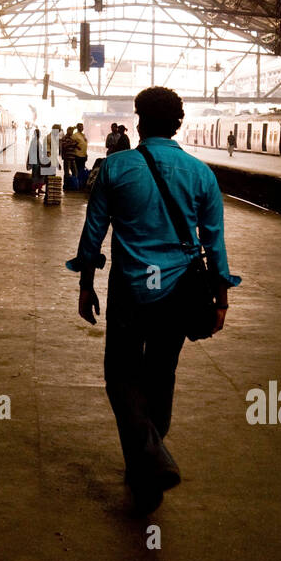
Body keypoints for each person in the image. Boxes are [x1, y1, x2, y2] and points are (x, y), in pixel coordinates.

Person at [65, 87, 241, 515]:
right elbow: (214, 243)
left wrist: (86, 284)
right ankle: (148, 456)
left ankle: (149, 457)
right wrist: (221, 300)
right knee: (161, 372)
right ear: (178, 124)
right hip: (179, 292)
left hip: (130, 290)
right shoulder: (200, 174)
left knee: (121, 376)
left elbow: (94, 233)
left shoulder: (115, 168)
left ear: (140, 122)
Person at [73, 123, 89, 188]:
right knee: (77, 170)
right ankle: (77, 184)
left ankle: (81, 183)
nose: (81, 128)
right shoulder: (75, 135)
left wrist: (86, 154)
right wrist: (76, 146)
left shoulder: (83, 135)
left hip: (83, 155)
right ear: (77, 128)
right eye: (80, 127)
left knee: (82, 170)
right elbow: (72, 143)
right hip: (78, 155)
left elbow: (84, 144)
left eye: (82, 127)